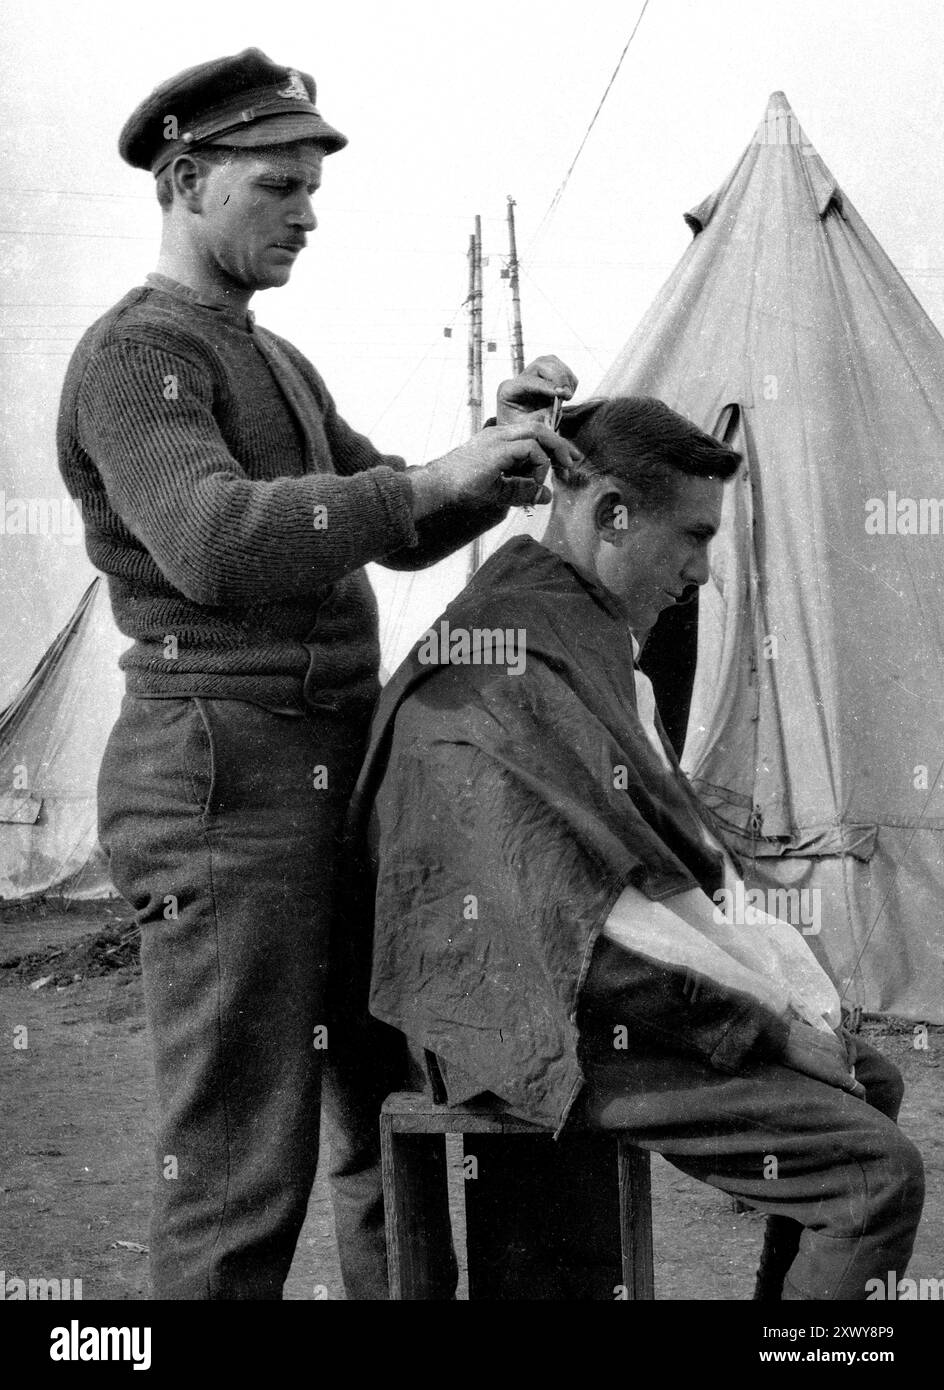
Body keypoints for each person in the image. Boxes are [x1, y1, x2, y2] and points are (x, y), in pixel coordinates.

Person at [56, 46, 578, 1300]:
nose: (306, 214)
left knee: (387, 1137)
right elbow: (218, 541)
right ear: (185, 179)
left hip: (333, 774)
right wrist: (429, 479)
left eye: (311, 189)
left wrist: (494, 454)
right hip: (220, 786)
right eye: (276, 186)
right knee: (239, 1167)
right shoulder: (136, 359)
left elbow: (399, 523)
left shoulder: (273, 360)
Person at [348, 395, 925, 1300]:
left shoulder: (574, 632)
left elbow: (652, 870)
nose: (702, 571)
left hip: (576, 983)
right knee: (871, 1174)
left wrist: (784, 999)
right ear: (612, 513)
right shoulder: (509, 660)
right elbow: (580, 924)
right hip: (522, 1013)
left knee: (867, 1080)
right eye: (692, 537)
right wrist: (761, 1020)